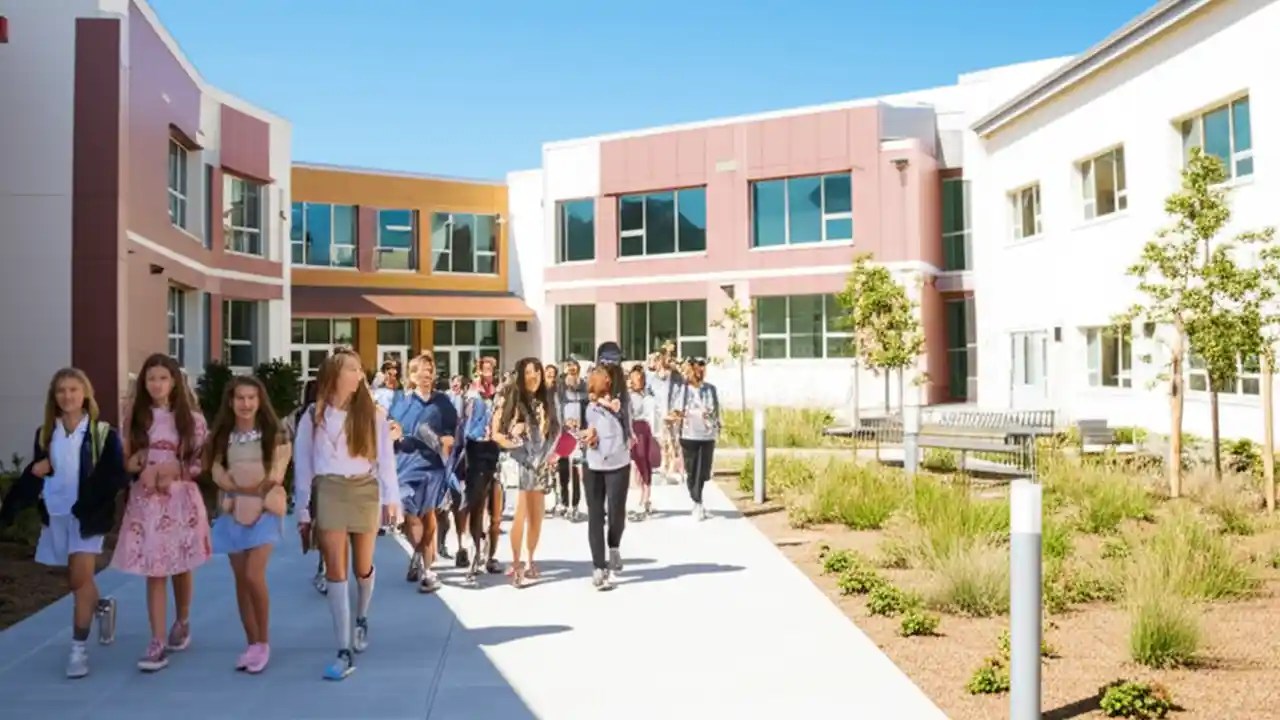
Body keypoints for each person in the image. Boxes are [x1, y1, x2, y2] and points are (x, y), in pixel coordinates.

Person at [0, 368, 127, 678]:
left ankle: (78, 649)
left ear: (85, 394)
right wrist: (34, 473)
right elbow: (38, 476)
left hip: (88, 517)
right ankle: (102, 605)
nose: (67, 396)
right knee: (78, 581)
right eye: (61, 391)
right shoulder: (45, 434)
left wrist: (95, 498)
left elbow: (116, 477)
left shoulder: (103, 434)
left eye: (73, 389)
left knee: (77, 579)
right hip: (56, 515)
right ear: (54, 397)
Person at [293, 349, 402, 681]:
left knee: (362, 566)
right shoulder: (314, 415)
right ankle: (343, 648)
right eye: (351, 369)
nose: (359, 374)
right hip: (329, 491)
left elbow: (386, 459)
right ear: (334, 375)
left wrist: (391, 498)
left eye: (359, 368)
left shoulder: (373, 415)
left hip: (365, 490)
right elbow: (304, 465)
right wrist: (302, 508)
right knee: (336, 571)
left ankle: (362, 617)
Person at [111, 354, 210, 672]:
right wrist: (135, 464)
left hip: (179, 498)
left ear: (174, 382)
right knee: (154, 571)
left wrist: (175, 468)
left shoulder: (191, 419)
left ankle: (182, 619)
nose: (157, 384)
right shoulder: (134, 417)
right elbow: (125, 459)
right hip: (147, 500)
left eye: (163, 378)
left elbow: (200, 462)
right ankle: (155, 640)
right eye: (151, 378)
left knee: (181, 565)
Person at [206, 376, 290, 674]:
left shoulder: (272, 433)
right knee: (241, 581)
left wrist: (260, 490)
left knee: (255, 575)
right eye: (240, 398)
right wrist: (229, 487)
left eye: (251, 398)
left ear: (259, 400)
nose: (246, 404)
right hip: (233, 513)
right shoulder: (222, 436)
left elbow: (277, 471)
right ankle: (252, 642)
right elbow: (216, 469)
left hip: (264, 511)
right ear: (231, 402)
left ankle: (264, 641)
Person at [389, 353, 458, 593]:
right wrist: (393, 435)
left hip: (434, 465)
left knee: (429, 514)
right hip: (406, 464)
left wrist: (447, 439)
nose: (427, 375)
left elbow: (454, 431)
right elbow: (390, 430)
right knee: (409, 517)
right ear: (412, 375)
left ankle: (428, 570)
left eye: (430, 371)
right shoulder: (401, 402)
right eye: (422, 371)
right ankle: (418, 552)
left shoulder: (444, 402)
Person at [491, 358, 559, 587]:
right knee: (519, 514)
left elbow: (555, 430)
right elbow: (495, 433)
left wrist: (550, 455)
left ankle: (531, 559)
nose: (534, 376)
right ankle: (517, 562)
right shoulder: (510, 396)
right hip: (517, 463)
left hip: (539, 464)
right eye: (529, 372)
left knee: (537, 517)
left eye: (537, 371)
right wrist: (512, 438)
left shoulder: (548, 399)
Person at [579, 342, 632, 591]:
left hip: (619, 461)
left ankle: (614, 547)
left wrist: (615, 408)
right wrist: (584, 433)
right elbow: (576, 425)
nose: (609, 368)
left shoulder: (622, 395)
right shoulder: (585, 396)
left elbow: (627, 421)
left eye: (614, 362)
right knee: (595, 515)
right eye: (605, 362)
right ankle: (598, 567)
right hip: (592, 462)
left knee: (616, 511)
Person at [459, 357, 503, 581]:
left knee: (496, 510)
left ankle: (491, 555)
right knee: (476, 503)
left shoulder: (499, 394)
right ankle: (473, 550)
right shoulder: (472, 395)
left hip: (496, 450)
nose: (487, 372)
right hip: (476, 451)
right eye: (484, 369)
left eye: (490, 369)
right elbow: (465, 426)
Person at [669, 357, 721, 522]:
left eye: (702, 367)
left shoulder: (710, 389)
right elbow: (675, 410)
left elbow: (716, 411)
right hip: (689, 433)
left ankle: (698, 499)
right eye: (697, 367)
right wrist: (680, 414)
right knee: (692, 470)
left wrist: (712, 418)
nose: (700, 371)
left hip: (707, 434)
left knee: (704, 471)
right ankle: (697, 501)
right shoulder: (683, 390)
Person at [554, 358, 588, 520]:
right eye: (569, 368)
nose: (572, 371)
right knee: (563, 470)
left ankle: (574, 505)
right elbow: (557, 408)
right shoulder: (560, 388)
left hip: (579, 432)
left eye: (574, 368)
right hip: (564, 433)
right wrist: (563, 423)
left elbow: (588, 408)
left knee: (576, 469)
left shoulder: (584, 387)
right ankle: (564, 501)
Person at [627, 365, 660, 520]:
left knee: (644, 461)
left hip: (644, 428)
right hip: (632, 428)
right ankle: (644, 496)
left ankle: (646, 497)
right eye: (634, 377)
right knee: (637, 461)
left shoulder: (648, 395)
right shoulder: (627, 395)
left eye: (639, 378)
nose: (636, 380)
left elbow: (652, 413)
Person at [650, 351, 683, 485]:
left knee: (673, 441)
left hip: (672, 413)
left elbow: (680, 394)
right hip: (659, 413)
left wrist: (676, 411)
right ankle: (664, 464)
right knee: (662, 441)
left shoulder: (676, 378)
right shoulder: (653, 379)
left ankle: (673, 468)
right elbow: (649, 394)